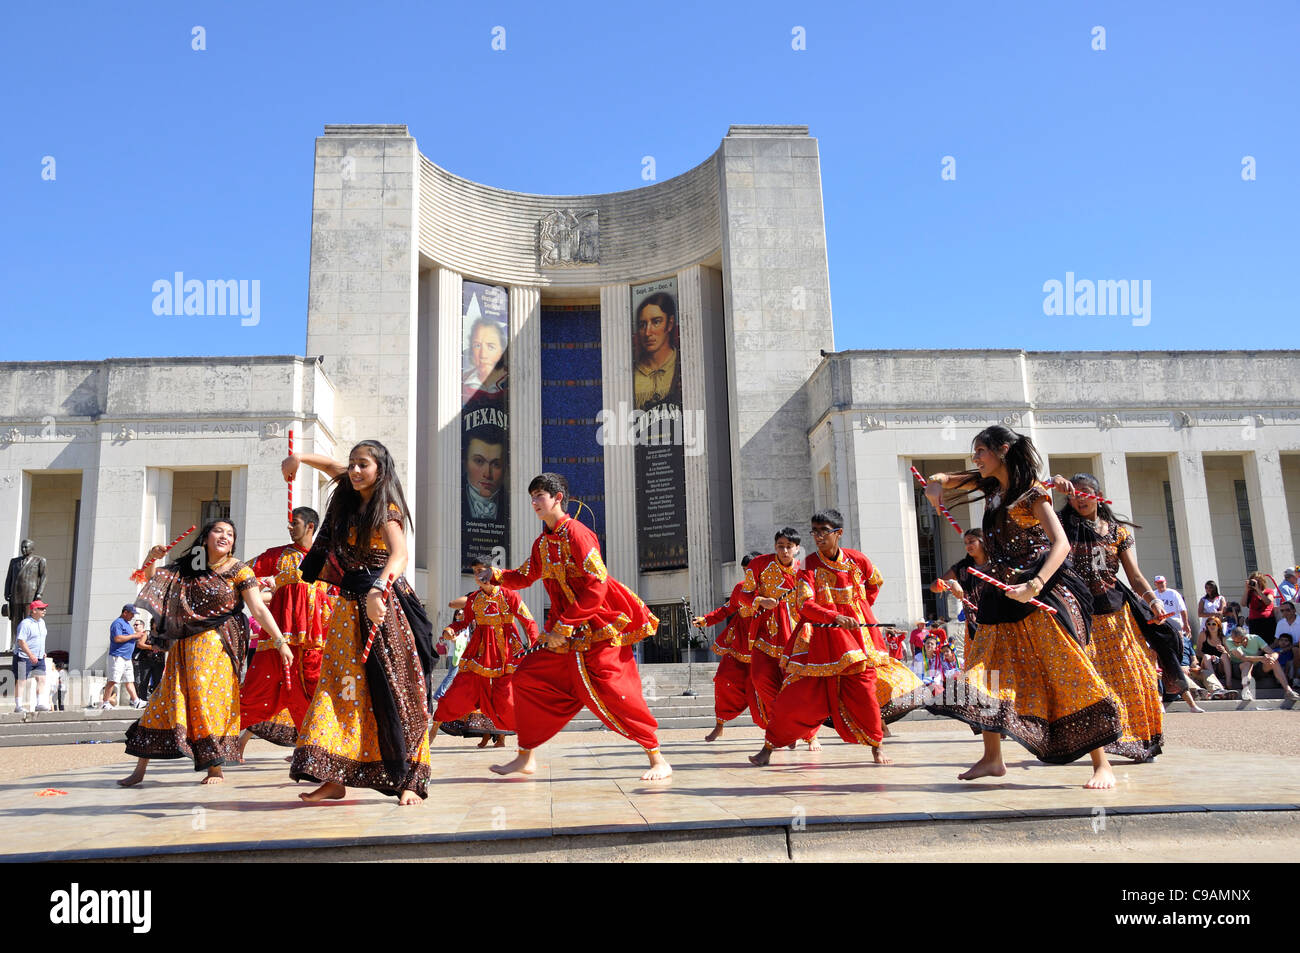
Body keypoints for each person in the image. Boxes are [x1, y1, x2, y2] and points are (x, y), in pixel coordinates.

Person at [922, 425, 1121, 789]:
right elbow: (947, 480)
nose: (976, 458)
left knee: (1066, 670)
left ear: (1002, 450)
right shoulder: (991, 487)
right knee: (984, 668)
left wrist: (1036, 584)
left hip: (1037, 590)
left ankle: (1102, 763)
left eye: (981, 451)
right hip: (1000, 593)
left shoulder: (1034, 494)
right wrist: (934, 483)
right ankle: (992, 757)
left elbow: (1059, 544)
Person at [484, 472, 671, 782]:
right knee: (527, 676)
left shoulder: (579, 534)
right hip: (565, 636)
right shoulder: (543, 543)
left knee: (615, 691)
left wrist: (565, 625)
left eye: (540, 496)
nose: (534, 502)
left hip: (597, 628)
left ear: (559, 498)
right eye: (532, 497)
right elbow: (525, 576)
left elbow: (597, 585)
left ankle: (657, 757)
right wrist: (496, 576)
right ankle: (525, 757)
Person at [286, 441, 435, 805]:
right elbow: (329, 466)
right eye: (352, 464)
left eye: (362, 465)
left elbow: (399, 554)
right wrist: (298, 458)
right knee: (337, 687)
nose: (354, 471)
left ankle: (409, 780)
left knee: (394, 688)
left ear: (379, 470)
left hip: (382, 606)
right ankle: (333, 776)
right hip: (348, 607)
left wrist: (378, 590)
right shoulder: (349, 491)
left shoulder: (387, 509)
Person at [749, 509, 924, 766]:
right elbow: (804, 605)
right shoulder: (809, 564)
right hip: (821, 639)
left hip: (857, 639)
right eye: (815, 531)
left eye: (824, 531)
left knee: (864, 691)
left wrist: (860, 607)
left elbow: (875, 583)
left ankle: (876, 746)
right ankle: (768, 747)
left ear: (838, 533)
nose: (818, 536)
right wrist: (834, 616)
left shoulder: (857, 560)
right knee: (795, 695)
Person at [120, 520, 288, 786]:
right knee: (165, 698)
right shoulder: (193, 566)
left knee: (208, 700)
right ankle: (140, 768)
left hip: (218, 641)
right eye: (219, 531)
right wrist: (152, 557)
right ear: (206, 537)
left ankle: (215, 769)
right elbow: (155, 579)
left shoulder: (239, 570)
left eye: (230, 534)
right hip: (184, 643)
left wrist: (280, 641)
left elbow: (258, 608)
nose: (225, 536)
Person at [1055, 471, 1204, 764]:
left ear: (1098, 495)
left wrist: (1154, 601)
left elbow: (1134, 576)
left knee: (1135, 676)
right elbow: (1028, 509)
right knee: (1088, 680)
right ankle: (1092, 743)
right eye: (1074, 493)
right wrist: (1053, 481)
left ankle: (1143, 741)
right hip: (1078, 615)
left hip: (1117, 614)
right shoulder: (1060, 527)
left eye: (1086, 492)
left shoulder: (1117, 532)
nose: (1079, 498)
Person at [236, 506, 337, 757]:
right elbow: (241, 572)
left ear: (310, 527)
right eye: (289, 524)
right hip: (278, 641)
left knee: (315, 695)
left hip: (316, 642)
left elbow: (340, 595)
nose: (290, 528)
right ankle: (218, 736)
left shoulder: (328, 558)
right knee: (255, 692)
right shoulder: (278, 555)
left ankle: (317, 749)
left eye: (296, 524)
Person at [429, 555, 538, 742]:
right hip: (478, 656)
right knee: (457, 692)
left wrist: (534, 648)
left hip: (505, 657)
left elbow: (529, 622)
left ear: (492, 571)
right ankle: (432, 732)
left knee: (507, 701)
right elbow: (463, 622)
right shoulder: (473, 600)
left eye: (480, 570)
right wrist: (449, 630)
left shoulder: (510, 595)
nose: (477, 575)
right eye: (474, 572)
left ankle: (525, 739)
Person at [736, 528, 817, 748]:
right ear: (775, 546)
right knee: (761, 679)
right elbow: (744, 595)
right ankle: (785, 726)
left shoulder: (807, 569)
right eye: (780, 545)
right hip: (766, 632)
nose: (784, 550)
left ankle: (809, 734)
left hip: (799, 634)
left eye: (789, 546)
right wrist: (760, 600)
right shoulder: (759, 565)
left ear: (797, 548)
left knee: (799, 685)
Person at [693, 551, 760, 742]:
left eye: (752, 571)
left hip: (764, 645)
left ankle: (800, 735)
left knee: (771, 688)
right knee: (723, 679)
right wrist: (706, 620)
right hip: (738, 645)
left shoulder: (771, 589)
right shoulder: (740, 588)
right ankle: (719, 725)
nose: (748, 575)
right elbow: (727, 609)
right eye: (745, 571)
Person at [932, 528, 990, 645]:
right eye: (966, 543)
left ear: (983, 541)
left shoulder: (997, 564)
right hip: (975, 626)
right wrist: (951, 583)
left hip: (1000, 622)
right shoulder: (962, 567)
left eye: (971, 541)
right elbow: (934, 586)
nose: (968, 546)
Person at [633, 292, 680, 410]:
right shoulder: (633, 373)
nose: (648, 332)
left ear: (669, 324)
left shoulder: (682, 365)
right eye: (642, 325)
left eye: (656, 322)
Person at [1227, 627, 1299, 702]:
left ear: (1245, 637)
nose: (1238, 644)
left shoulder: (1255, 638)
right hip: (1238, 668)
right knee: (1247, 663)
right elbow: (1243, 658)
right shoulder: (1229, 641)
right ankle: (1246, 691)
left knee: (1273, 662)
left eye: (1239, 642)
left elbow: (1271, 652)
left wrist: (1272, 657)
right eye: (1235, 642)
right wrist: (1261, 658)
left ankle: (1288, 691)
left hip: (1256, 667)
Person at [97, 605, 146, 711]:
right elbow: (117, 638)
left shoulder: (127, 624)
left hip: (126, 657)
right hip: (117, 656)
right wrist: (134, 636)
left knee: (129, 680)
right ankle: (105, 702)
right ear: (125, 612)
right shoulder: (117, 623)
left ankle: (136, 701)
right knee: (113, 680)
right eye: (131, 614)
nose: (132, 616)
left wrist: (136, 636)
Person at [4, 540, 46, 652]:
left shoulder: (39, 560)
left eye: (26, 547)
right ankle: (15, 645)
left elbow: (43, 578)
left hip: (30, 595)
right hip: (15, 595)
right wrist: (6, 591)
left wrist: (39, 593)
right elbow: (9, 578)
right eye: (22, 547)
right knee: (15, 621)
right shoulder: (14, 561)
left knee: (28, 621)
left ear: (32, 548)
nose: (23, 549)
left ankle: (27, 645)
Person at [463, 427, 506, 523]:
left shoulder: (509, 503)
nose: (487, 474)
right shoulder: (454, 500)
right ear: (465, 463)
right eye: (479, 461)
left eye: (496, 464)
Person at [12, 600, 49, 713]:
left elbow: (40, 639)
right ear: (34, 610)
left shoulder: (42, 622)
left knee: (42, 679)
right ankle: (18, 706)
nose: (44, 610)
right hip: (24, 656)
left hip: (39, 657)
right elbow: (21, 641)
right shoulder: (25, 624)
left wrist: (42, 651)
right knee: (22, 680)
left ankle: (40, 703)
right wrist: (30, 654)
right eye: (41, 608)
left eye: (44, 608)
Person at [462, 318, 507, 402]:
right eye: (477, 345)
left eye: (490, 347)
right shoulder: (462, 381)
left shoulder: (512, 381)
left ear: (501, 351)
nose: (483, 355)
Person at [1196, 614, 1236, 693]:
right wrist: (1210, 657)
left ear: (1218, 626)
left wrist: (1224, 650)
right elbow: (1198, 651)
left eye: (1214, 624)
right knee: (1207, 657)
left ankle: (1228, 683)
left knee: (1224, 656)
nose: (1211, 626)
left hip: (1219, 665)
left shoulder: (1223, 638)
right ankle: (1217, 684)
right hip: (1206, 664)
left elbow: (1230, 656)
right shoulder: (1203, 635)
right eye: (1209, 624)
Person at [134, 616, 166, 702]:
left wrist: (161, 649)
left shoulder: (163, 635)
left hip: (159, 661)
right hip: (145, 661)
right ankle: (142, 700)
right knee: (144, 681)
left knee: (157, 682)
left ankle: (156, 702)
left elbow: (168, 647)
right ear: (152, 624)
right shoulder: (147, 633)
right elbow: (140, 644)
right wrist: (151, 647)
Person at [1152, 577, 1190, 642]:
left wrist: (1186, 624)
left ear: (1165, 583)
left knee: (1178, 643)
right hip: (1161, 623)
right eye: (1158, 583)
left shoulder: (1173, 593)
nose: (1160, 585)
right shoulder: (1153, 594)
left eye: (1162, 582)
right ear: (1155, 584)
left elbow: (1182, 609)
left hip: (1174, 621)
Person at [1243, 573, 1277, 644]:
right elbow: (1243, 604)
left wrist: (1258, 590)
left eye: (1258, 581)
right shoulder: (1250, 593)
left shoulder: (1269, 591)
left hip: (1267, 621)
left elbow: (1268, 602)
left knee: (1269, 641)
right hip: (1254, 622)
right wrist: (1246, 590)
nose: (1256, 583)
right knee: (1256, 643)